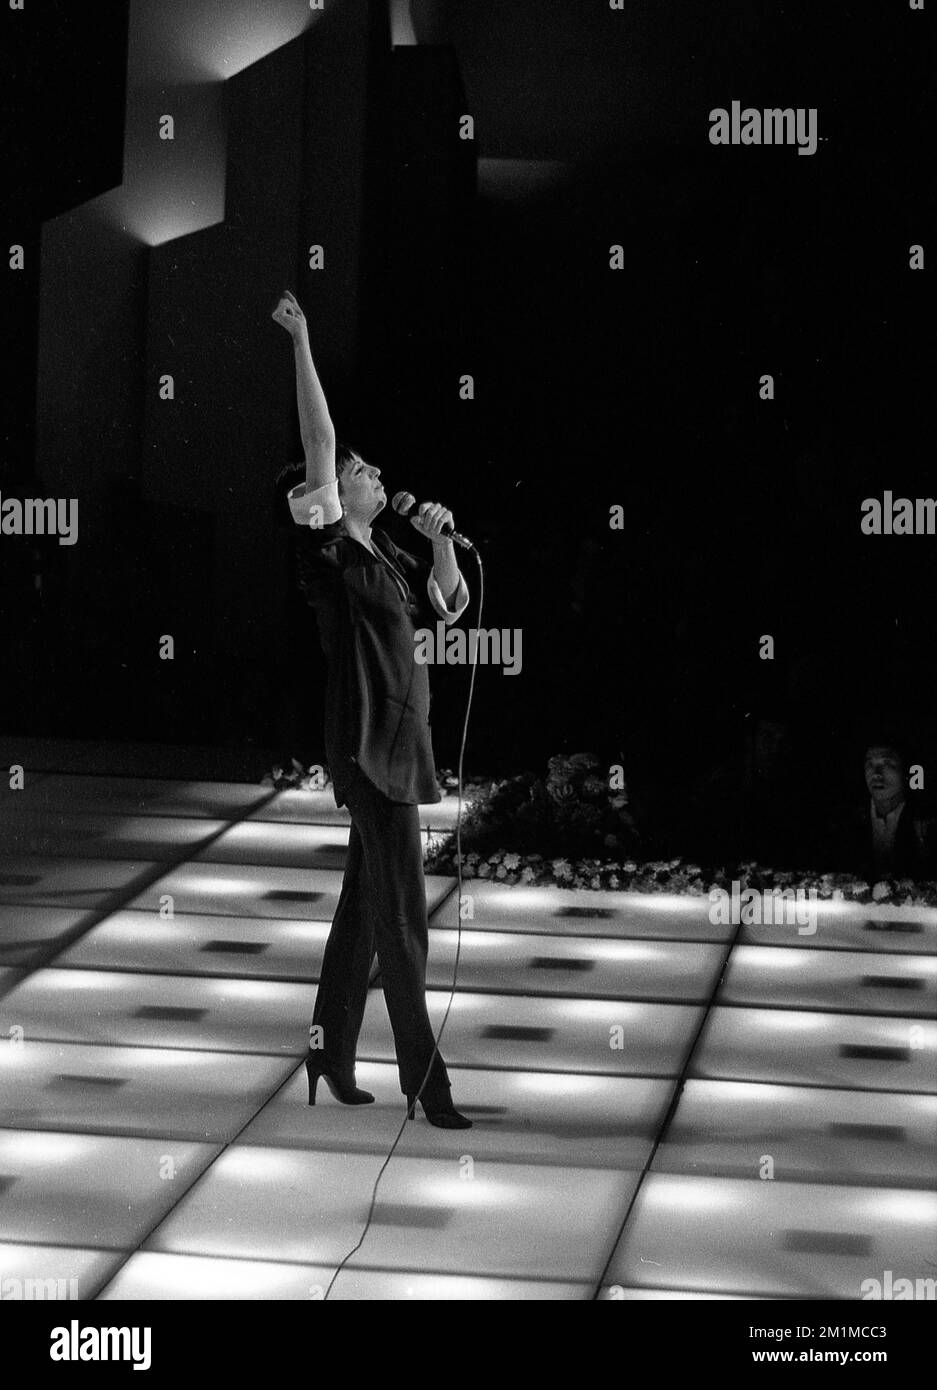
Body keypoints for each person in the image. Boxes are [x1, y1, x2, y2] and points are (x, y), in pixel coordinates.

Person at [273, 290, 472, 1128]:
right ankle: (428, 1084)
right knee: (403, 923)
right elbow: (318, 440)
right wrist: (303, 337)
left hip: (401, 738)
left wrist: (437, 542)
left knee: (365, 911)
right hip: (364, 747)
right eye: (363, 473)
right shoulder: (323, 546)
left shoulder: (385, 551)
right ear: (327, 492)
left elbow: (453, 607)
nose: (375, 476)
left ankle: (328, 1047)